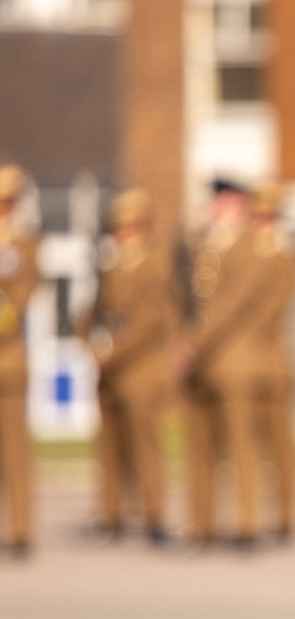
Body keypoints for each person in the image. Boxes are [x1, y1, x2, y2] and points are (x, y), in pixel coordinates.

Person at [82, 188, 178, 544]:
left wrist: (113, 352)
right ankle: (110, 515)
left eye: (127, 226)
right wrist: (88, 343)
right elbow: (93, 311)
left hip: (140, 368)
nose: (120, 233)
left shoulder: (156, 265)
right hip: (109, 372)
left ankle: (154, 515)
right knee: (109, 448)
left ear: (141, 227)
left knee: (145, 447)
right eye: (117, 227)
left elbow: (151, 321)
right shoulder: (111, 264)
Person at [184, 178, 266, 549]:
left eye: (222, 202)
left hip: (232, 359)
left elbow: (231, 306)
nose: (214, 208)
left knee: (239, 446)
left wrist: (194, 342)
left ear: (237, 206)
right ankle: (202, 525)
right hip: (200, 362)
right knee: (200, 446)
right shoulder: (204, 247)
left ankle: (246, 524)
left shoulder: (249, 249)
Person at [247, 182, 295, 544]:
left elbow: (276, 304)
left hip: (273, 358)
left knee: (280, 443)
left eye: (268, 216)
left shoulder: (286, 255)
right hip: (247, 358)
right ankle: (252, 513)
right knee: (249, 445)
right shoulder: (248, 252)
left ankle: (285, 515)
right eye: (258, 216)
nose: (262, 223)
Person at [0, 164, 39, 557]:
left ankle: (21, 530)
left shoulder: (25, 245)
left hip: (8, 360)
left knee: (13, 451)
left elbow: (22, 297)